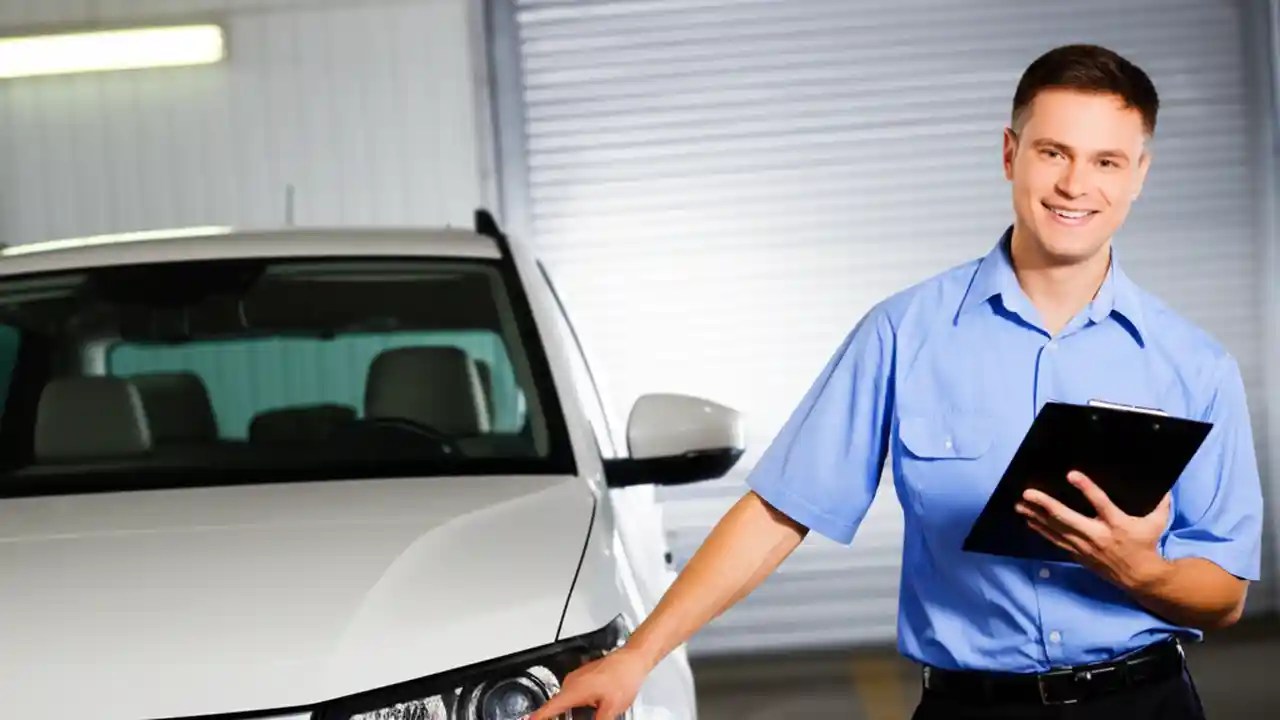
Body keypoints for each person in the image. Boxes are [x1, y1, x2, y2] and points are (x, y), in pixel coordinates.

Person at [529, 43, 1263, 720]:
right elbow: (779, 512)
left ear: (1139, 175)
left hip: (1145, 704)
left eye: (1106, 161)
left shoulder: (1194, 367)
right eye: (1053, 152)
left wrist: (1141, 571)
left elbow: (1224, 595)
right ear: (1010, 155)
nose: (1076, 184)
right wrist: (636, 658)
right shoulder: (903, 333)